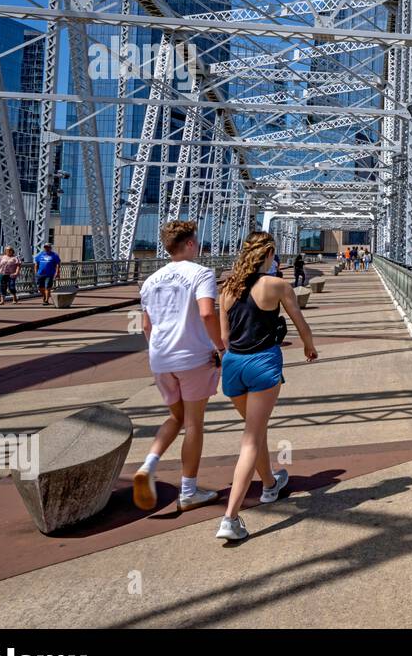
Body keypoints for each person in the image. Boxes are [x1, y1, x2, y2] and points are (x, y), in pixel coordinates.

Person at [215, 230, 318, 542]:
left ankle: (271, 485)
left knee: (255, 431)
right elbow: (299, 321)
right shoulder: (276, 285)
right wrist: (308, 346)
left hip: (233, 366)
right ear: (270, 254)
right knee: (250, 439)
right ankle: (230, 518)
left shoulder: (227, 289)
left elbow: (224, 338)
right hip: (262, 365)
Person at [131, 221, 227, 513]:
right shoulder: (201, 274)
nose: (198, 245)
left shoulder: (150, 281)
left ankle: (149, 464)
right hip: (193, 358)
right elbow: (208, 313)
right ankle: (188, 490)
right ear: (188, 244)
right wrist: (221, 348)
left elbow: (146, 325)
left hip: (160, 359)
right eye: (195, 241)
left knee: (176, 416)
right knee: (194, 424)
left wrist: (158, 350)